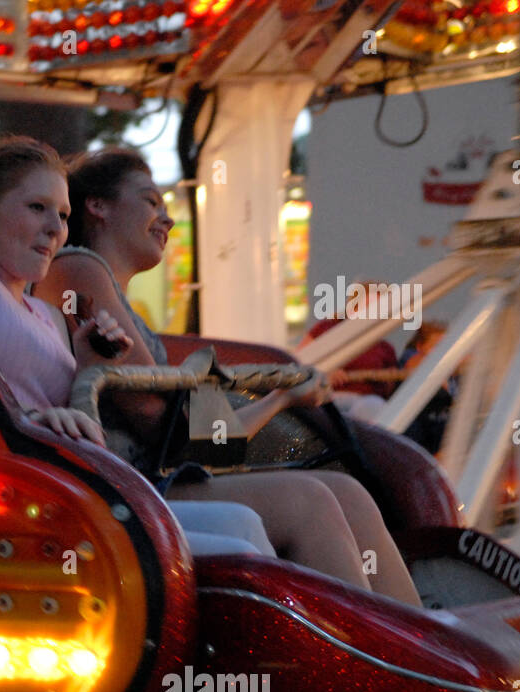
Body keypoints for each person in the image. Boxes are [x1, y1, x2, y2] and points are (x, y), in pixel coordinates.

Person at [34, 146, 421, 605]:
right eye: (150, 201)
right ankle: (377, 661)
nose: (167, 219)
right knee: (311, 502)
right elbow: (161, 419)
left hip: (150, 474)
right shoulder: (78, 267)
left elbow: (178, 422)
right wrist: (279, 399)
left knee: (347, 492)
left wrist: (275, 394)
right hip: (127, 482)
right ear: (97, 206)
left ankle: (424, 642)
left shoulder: (100, 283)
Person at [0, 137, 275, 559]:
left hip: (66, 489)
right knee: (237, 554)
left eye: (64, 215)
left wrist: (89, 365)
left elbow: (73, 421)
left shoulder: (46, 314)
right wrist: (28, 419)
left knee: (243, 523)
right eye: (37, 208)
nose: (56, 228)